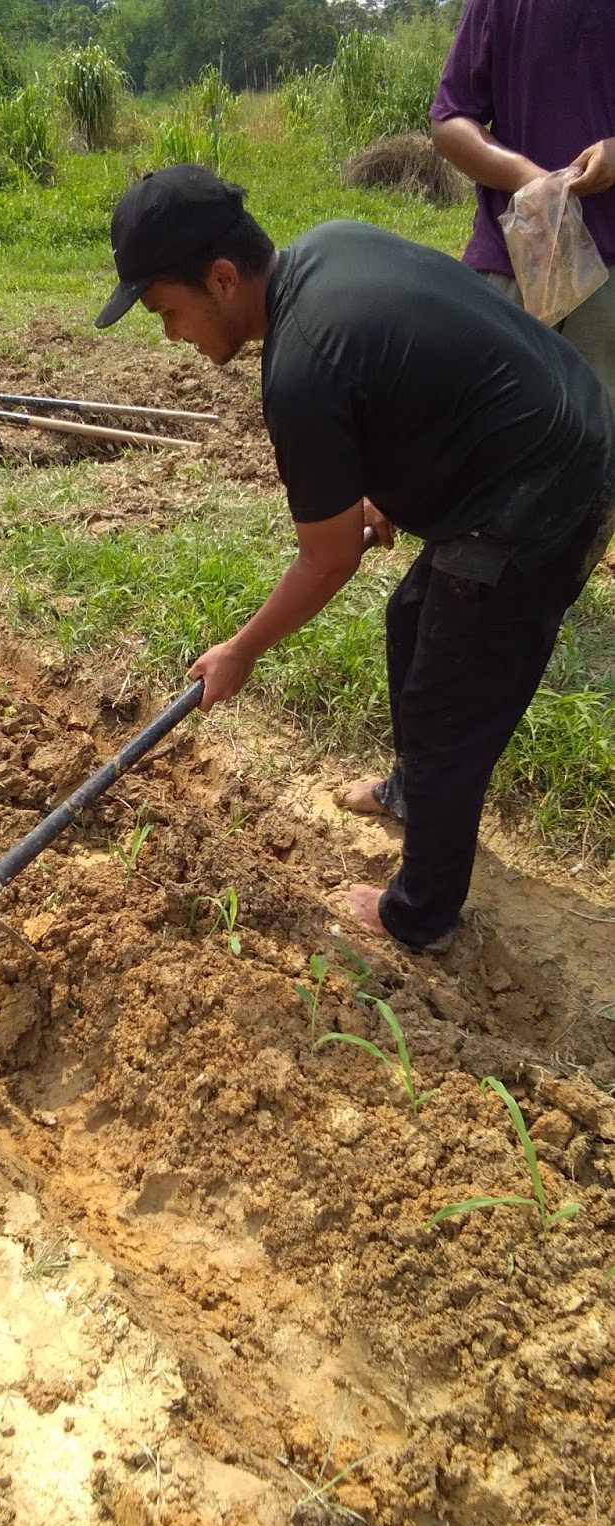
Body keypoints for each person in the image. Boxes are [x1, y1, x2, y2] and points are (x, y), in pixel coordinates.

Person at [94, 165, 614, 953]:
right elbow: (410, 386)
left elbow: (326, 561)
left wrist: (240, 652)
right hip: (545, 427)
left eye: (168, 312)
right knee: (413, 619)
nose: (174, 336)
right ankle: (412, 790)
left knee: (451, 702)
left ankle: (421, 915)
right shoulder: (326, 249)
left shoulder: (300, 364)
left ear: (222, 279)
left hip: (547, 487)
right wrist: (386, 494)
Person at [430, 0, 615, 405]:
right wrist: (526, 177)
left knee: (599, 449)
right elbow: (450, 122)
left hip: (606, 282)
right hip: (513, 266)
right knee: (502, 441)